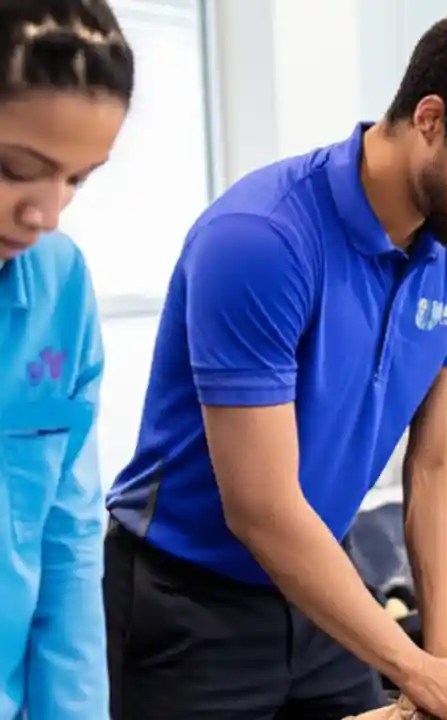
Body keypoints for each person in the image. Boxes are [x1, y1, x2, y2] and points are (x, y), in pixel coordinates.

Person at [103, 7, 447, 720]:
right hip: (193, 600)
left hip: (326, 586)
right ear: (429, 119)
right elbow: (260, 508)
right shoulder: (262, 240)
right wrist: (413, 668)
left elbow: (440, 461)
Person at [0, 2, 133, 717]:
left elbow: (67, 538)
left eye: (78, 179)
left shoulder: (58, 282)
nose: (47, 213)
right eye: (15, 169)